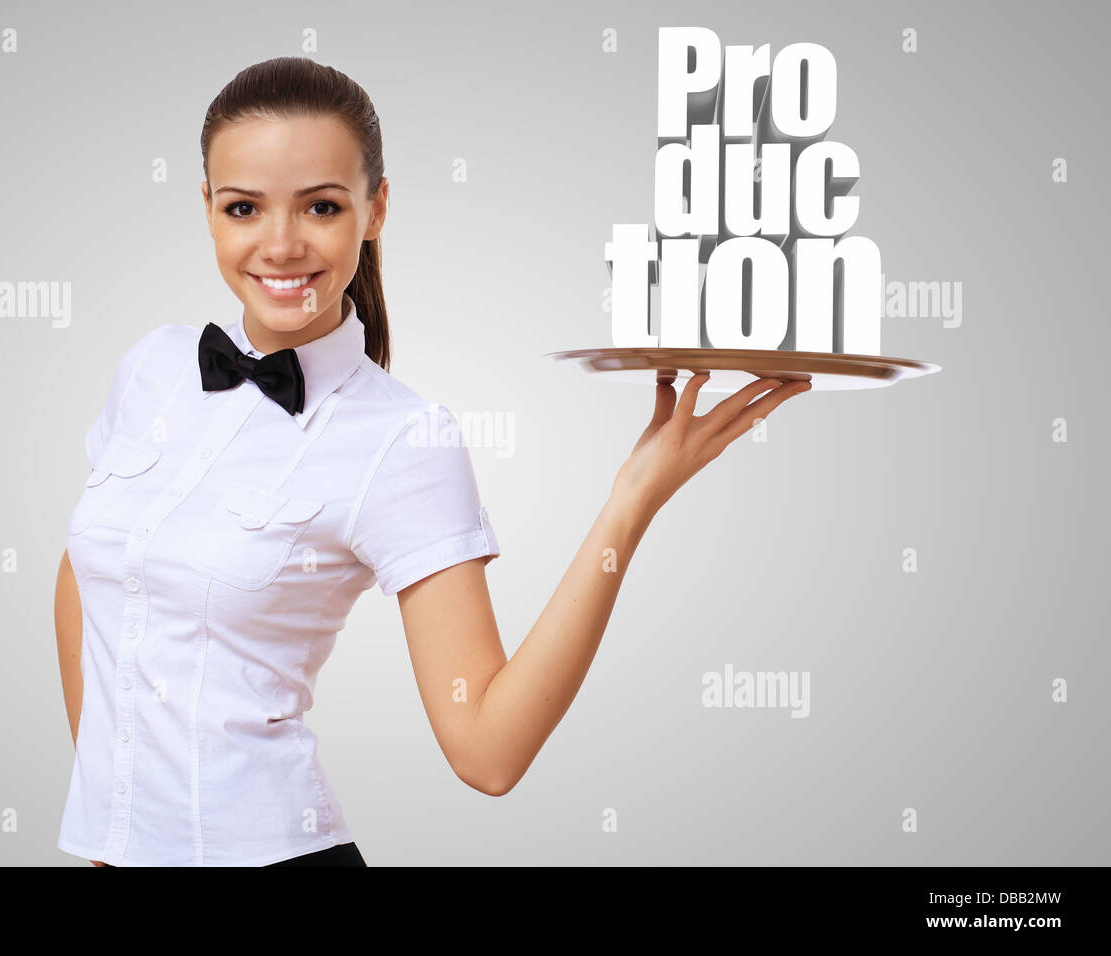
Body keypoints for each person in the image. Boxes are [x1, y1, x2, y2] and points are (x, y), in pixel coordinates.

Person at [54, 56, 811, 867]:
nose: (280, 244)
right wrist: (115, 814)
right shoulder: (153, 368)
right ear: (207, 209)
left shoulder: (403, 439)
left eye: (321, 206)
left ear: (375, 209)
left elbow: (488, 752)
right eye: (244, 207)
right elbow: (86, 578)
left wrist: (632, 500)